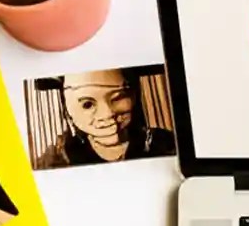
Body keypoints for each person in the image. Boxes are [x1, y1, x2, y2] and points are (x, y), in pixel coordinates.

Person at [43, 69, 176, 168]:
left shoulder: (164, 144)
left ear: (134, 96)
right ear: (68, 112)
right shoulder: (57, 160)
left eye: (118, 97)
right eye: (87, 104)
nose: (107, 113)